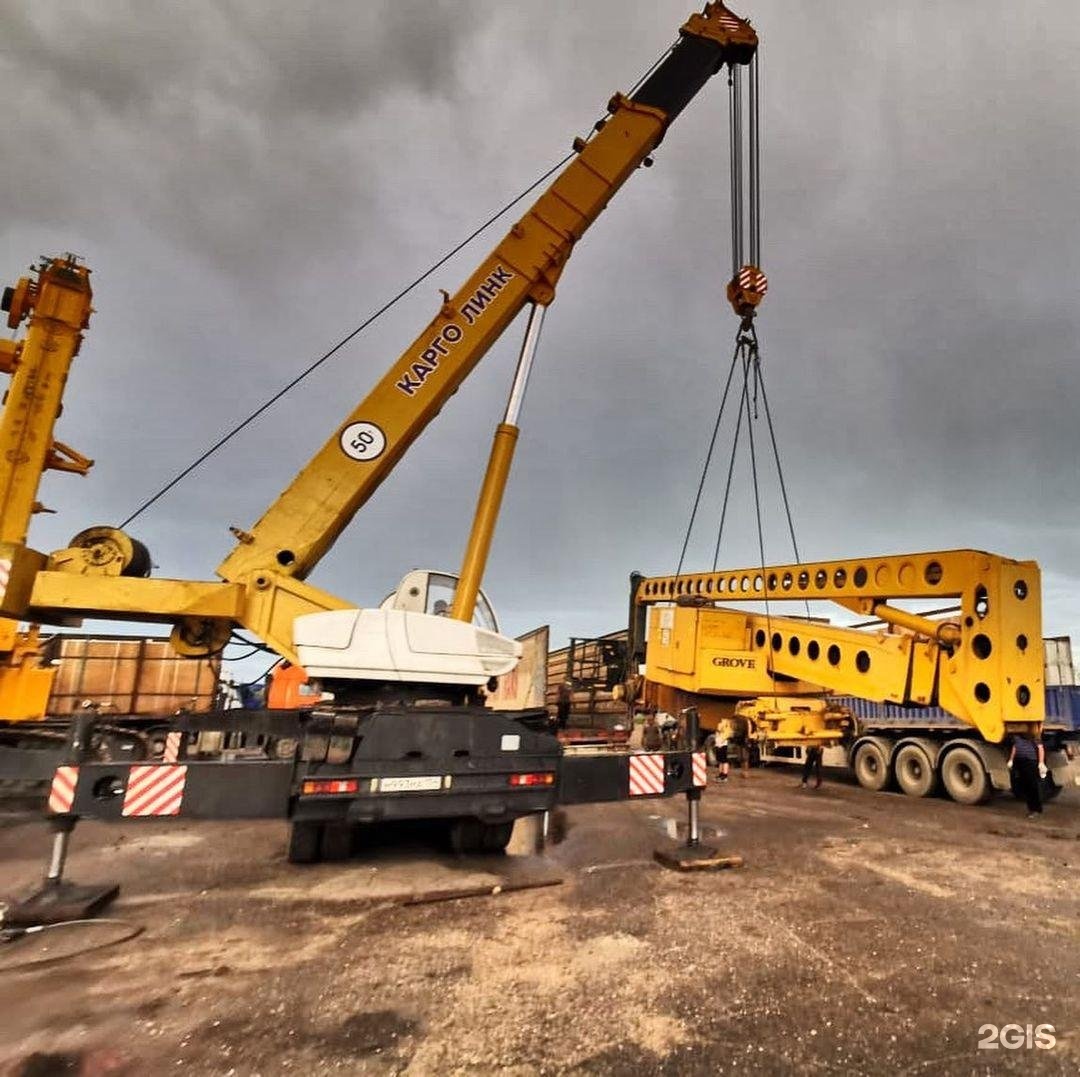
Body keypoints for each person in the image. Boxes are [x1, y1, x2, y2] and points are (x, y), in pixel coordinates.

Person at [1008, 728, 1046, 818]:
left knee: (1033, 787)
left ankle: (1036, 809)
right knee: (1025, 786)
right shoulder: (1017, 734)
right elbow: (1015, 747)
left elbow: (1040, 748)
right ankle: (1031, 809)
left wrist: (1041, 763)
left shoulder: (1034, 734)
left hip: (1031, 762)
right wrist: (1011, 759)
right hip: (1020, 762)